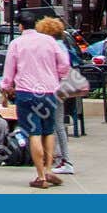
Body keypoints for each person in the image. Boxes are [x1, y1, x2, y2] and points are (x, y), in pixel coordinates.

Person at [0, 9, 71, 189]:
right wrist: (57, 77)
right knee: (48, 131)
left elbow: (9, 72)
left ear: (20, 26)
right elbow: (64, 65)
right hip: (49, 91)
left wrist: (6, 89)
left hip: (27, 93)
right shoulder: (49, 41)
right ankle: (48, 169)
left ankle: (40, 176)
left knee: (34, 133)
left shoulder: (16, 44)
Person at [35, 16, 77, 176]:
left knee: (56, 125)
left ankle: (64, 160)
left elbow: (61, 67)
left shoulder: (55, 47)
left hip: (54, 89)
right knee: (56, 124)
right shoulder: (61, 45)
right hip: (59, 88)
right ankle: (62, 159)